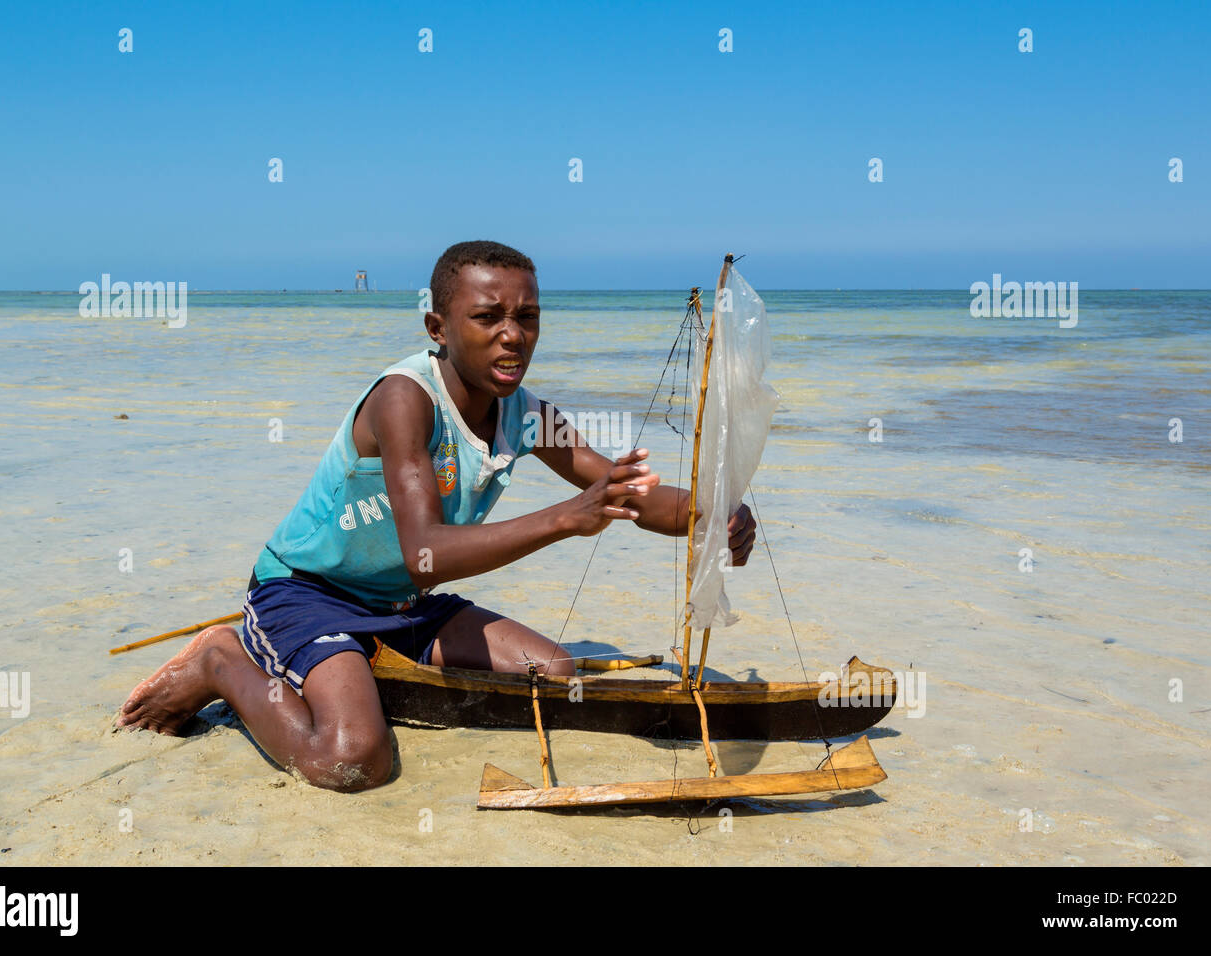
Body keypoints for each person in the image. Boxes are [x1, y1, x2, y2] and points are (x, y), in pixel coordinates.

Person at [116, 240, 756, 791]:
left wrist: (711, 516)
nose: (513, 334)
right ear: (437, 328)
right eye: (487, 316)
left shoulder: (526, 412)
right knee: (353, 760)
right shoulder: (405, 400)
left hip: (401, 603)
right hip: (307, 594)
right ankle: (223, 661)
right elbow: (427, 551)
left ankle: (359, 662)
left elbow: (627, 493)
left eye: (528, 316)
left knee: (554, 672)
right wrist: (567, 517)